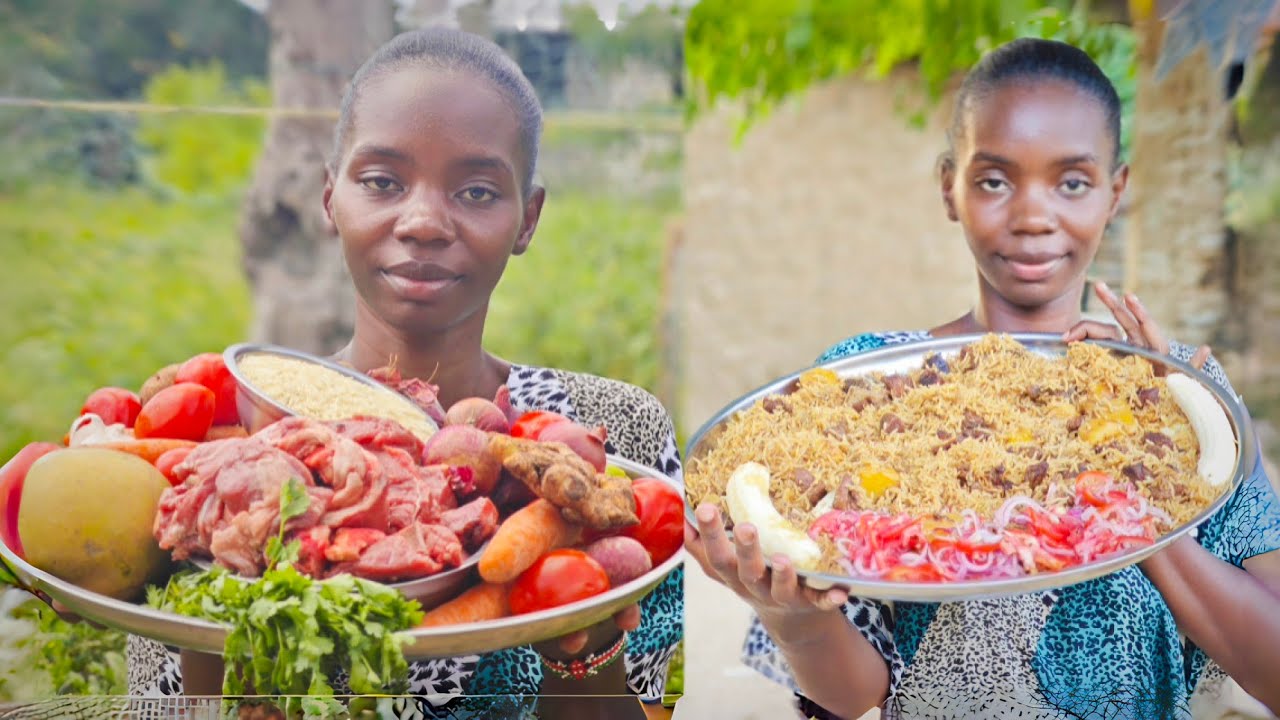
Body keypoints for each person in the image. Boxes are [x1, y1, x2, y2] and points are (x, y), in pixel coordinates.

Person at [685, 37, 1280, 720]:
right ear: (950, 187)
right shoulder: (860, 393)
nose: (1032, 217)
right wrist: (790, 617)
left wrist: (1137, 503)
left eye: (1073, 182)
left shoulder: (1189, 408)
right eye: (995, 180)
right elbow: (853, 696)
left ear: (1116, 192)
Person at [126, 27, 683, 720]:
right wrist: (219, 615)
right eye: (382, 182)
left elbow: (648, 707)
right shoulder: (219, 454)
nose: (422, 221)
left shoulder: (606, 443)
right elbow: (169, 705)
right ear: (331, 199)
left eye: (477, 192)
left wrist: (582, 646)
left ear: (527, 219)